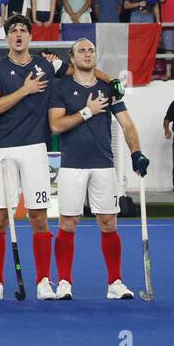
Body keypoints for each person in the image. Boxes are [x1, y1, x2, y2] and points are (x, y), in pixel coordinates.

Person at [47, 39, 147, 300]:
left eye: (91, 50)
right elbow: (56, 126)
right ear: (72, 58)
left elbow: (127, 125)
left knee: (108, 222)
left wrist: (136, 153)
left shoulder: (108, 89)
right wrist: (87, 112)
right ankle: (65, 283)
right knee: (68, 224)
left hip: (103, 165)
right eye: (81, 50)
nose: (87, 54)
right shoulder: (61, 88)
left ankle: (115, 282)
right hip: (71, 166)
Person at [0, 14, 71, 300]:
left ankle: (44, 281)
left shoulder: (46, 64)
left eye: (23, 30)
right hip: (5, 150)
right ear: (7, 37)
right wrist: (25, 89)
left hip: (35, 149)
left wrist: (113, 84)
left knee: (39, 218)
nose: (18, 34)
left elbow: (84, 70)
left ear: (31, 36)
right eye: (13, 30)